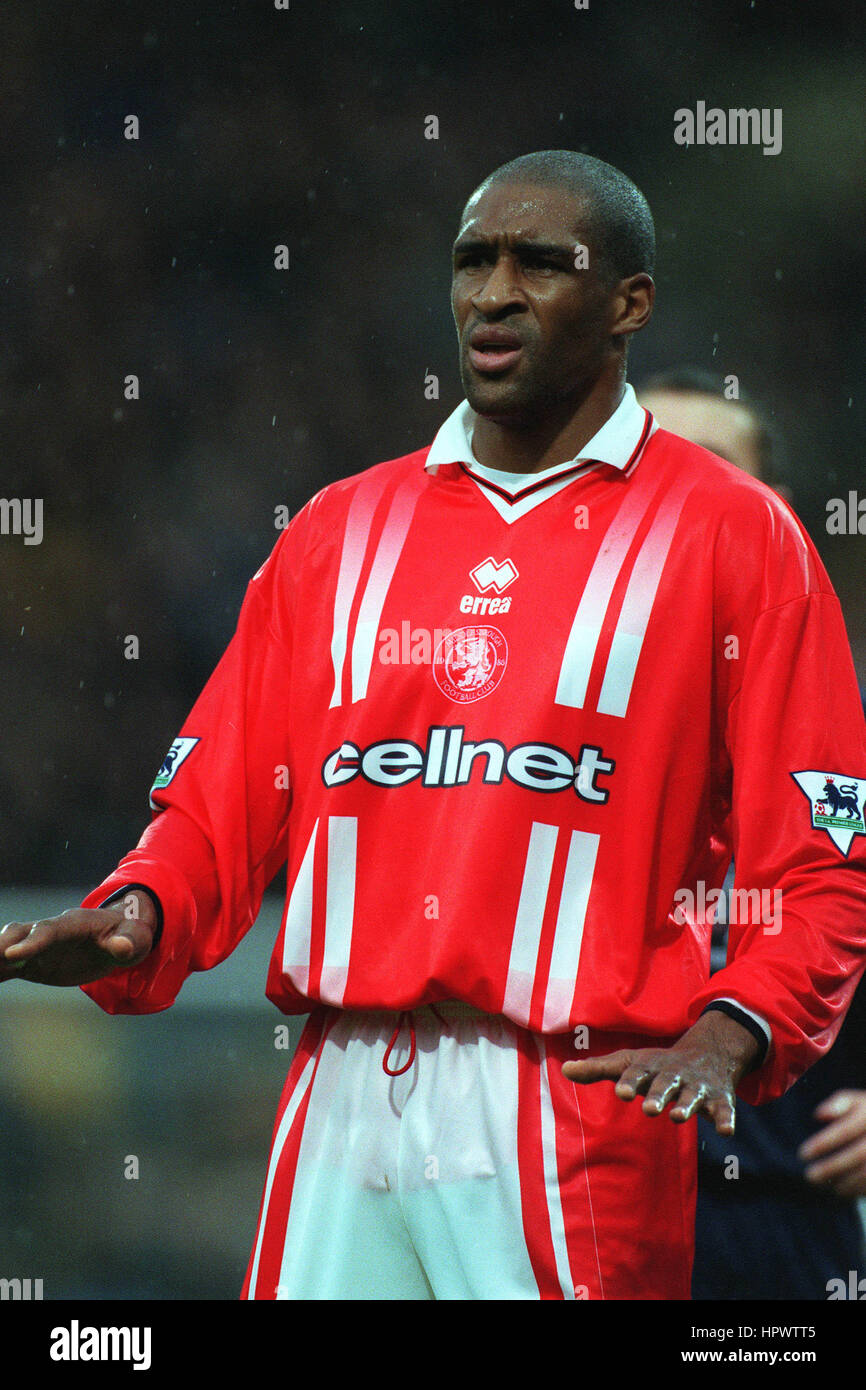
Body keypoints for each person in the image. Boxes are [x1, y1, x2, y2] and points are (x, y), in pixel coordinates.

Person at [2, 150, 866, 1301]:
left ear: (628, 303)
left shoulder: (734, 538)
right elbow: (220, 800)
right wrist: (141, 909)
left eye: (537, 263)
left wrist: (734, 1026)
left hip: (571, 1100)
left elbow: (820, 857)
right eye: (472, 260)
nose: (492, 292)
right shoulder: (337, 529)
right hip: (337, 1089)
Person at [638, 369, 866, 1300]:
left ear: (775, 514)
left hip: (779, 1227)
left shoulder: (848, 737)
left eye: (715, 469)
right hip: (555, 1209)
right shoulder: (514, 734)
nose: (682, 494)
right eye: (652, 467)